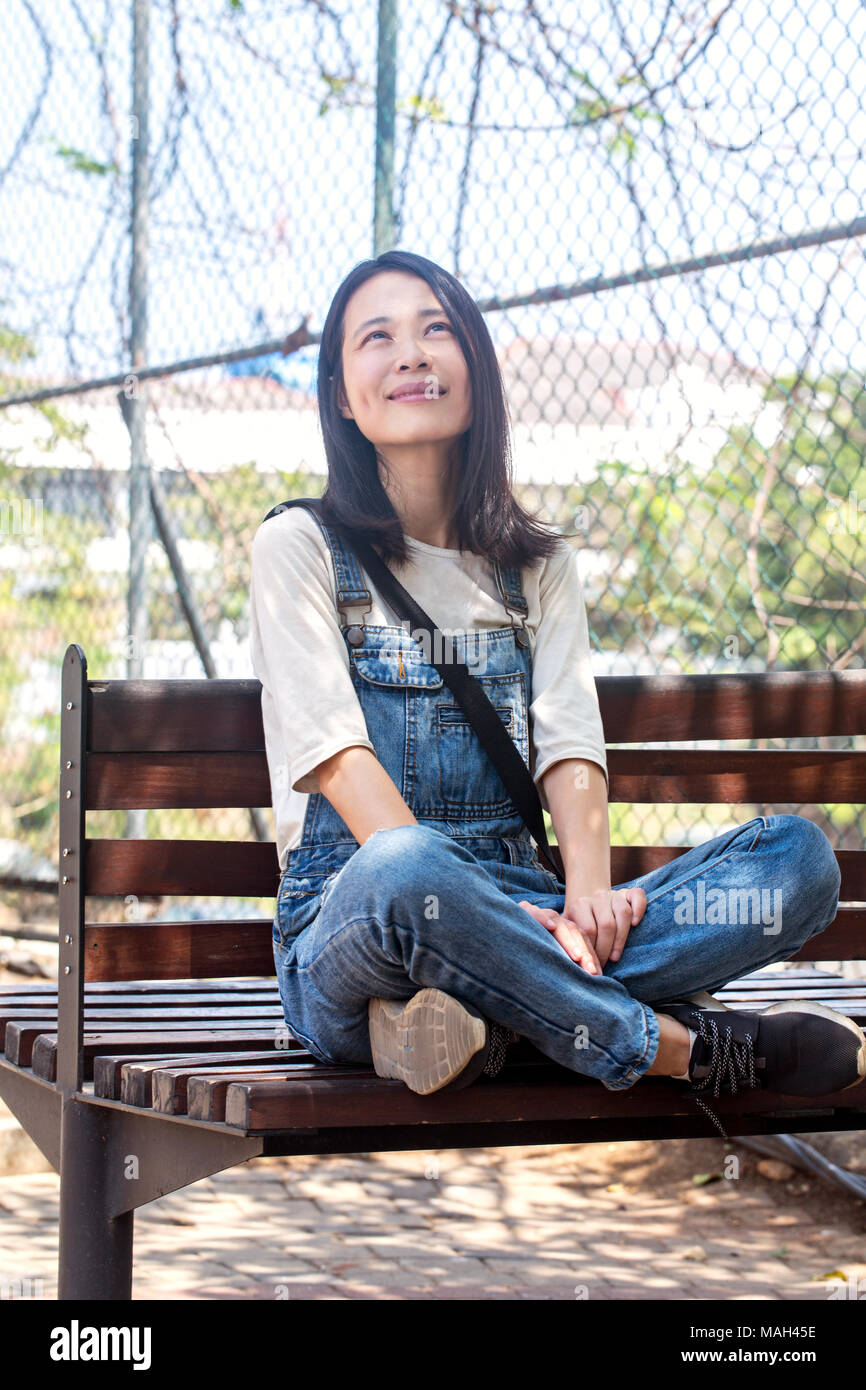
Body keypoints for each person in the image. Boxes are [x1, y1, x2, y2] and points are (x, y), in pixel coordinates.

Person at [249, 249, 865, 1131]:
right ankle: (678, 1049)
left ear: (476, 366)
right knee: (406, 865)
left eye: (436, 329)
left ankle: (485, 1024)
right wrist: (488, 914)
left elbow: (570, 739)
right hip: (359, 925)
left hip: (531, 910)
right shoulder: (300, 547)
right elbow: (340, 763)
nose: (411, 354)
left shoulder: (536, 567)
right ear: (343, 395)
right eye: (376, 338)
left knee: (794, 868)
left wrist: (586, 896)